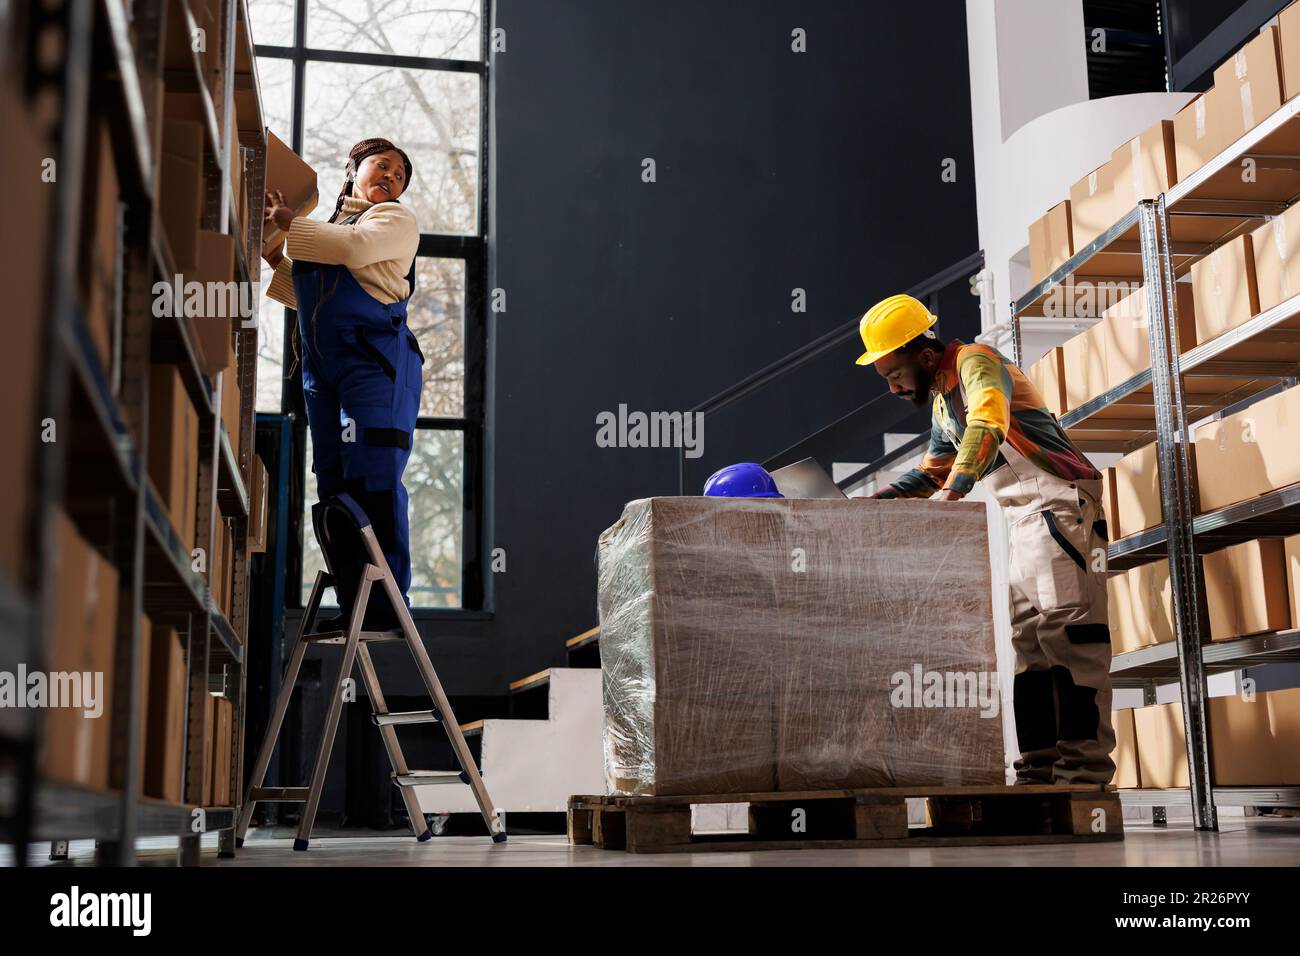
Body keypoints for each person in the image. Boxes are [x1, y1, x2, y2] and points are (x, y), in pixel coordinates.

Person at [859, 293, 1114, 785]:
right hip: (1025, 520)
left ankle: (1084, 774)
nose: (891, 387)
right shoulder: (940, 398)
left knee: (1070, 638)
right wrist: (878, 501)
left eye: (893, 374)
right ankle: (1040, 770)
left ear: (926, 355)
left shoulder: (976, 361)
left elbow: (989, 421)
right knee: (1030, 647)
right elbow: (935, 467)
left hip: (1059, 504)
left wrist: (958, 489)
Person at [264, 138, 422, 630]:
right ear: (353, 170)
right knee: (334, 488)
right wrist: (273, 254)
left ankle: (388, 607)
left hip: (377, 366)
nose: (391, 177)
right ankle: (355, 604)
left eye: (399, 174)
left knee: (373, 480)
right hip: (325, 373)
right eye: (383, 166)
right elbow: (310, 292)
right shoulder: (332, 228)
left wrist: (290, 223)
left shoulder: (393, 221)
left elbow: (354, 250)